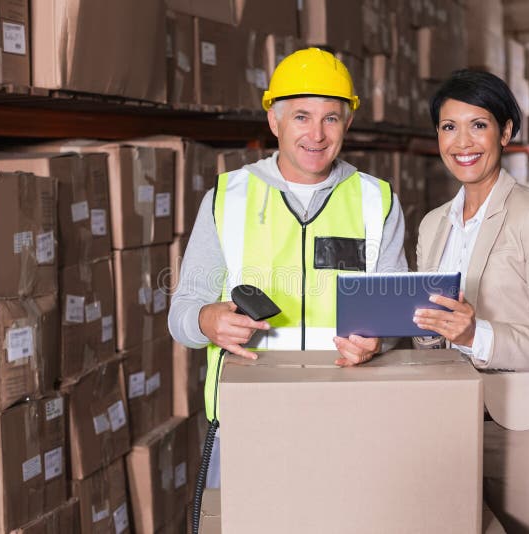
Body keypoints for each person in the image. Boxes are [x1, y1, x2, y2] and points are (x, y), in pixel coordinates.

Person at [168, 47, 408, 487]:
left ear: (348, 123)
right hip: (247, 419)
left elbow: (391, 322)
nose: (316, 134)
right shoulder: (227, 198)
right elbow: (182, 313)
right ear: (274, 121)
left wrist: (377, 340)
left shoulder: (378, 201)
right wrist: (206, 320)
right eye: (301, 116)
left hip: (348, 417)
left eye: (330, 118)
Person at [412, 69, 529, 534]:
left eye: (479, 124)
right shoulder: (434, 225)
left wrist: (477, 334)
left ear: (506, 131)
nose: (462, 142)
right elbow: (432, 338)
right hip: (452, 427)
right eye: (449, 127)